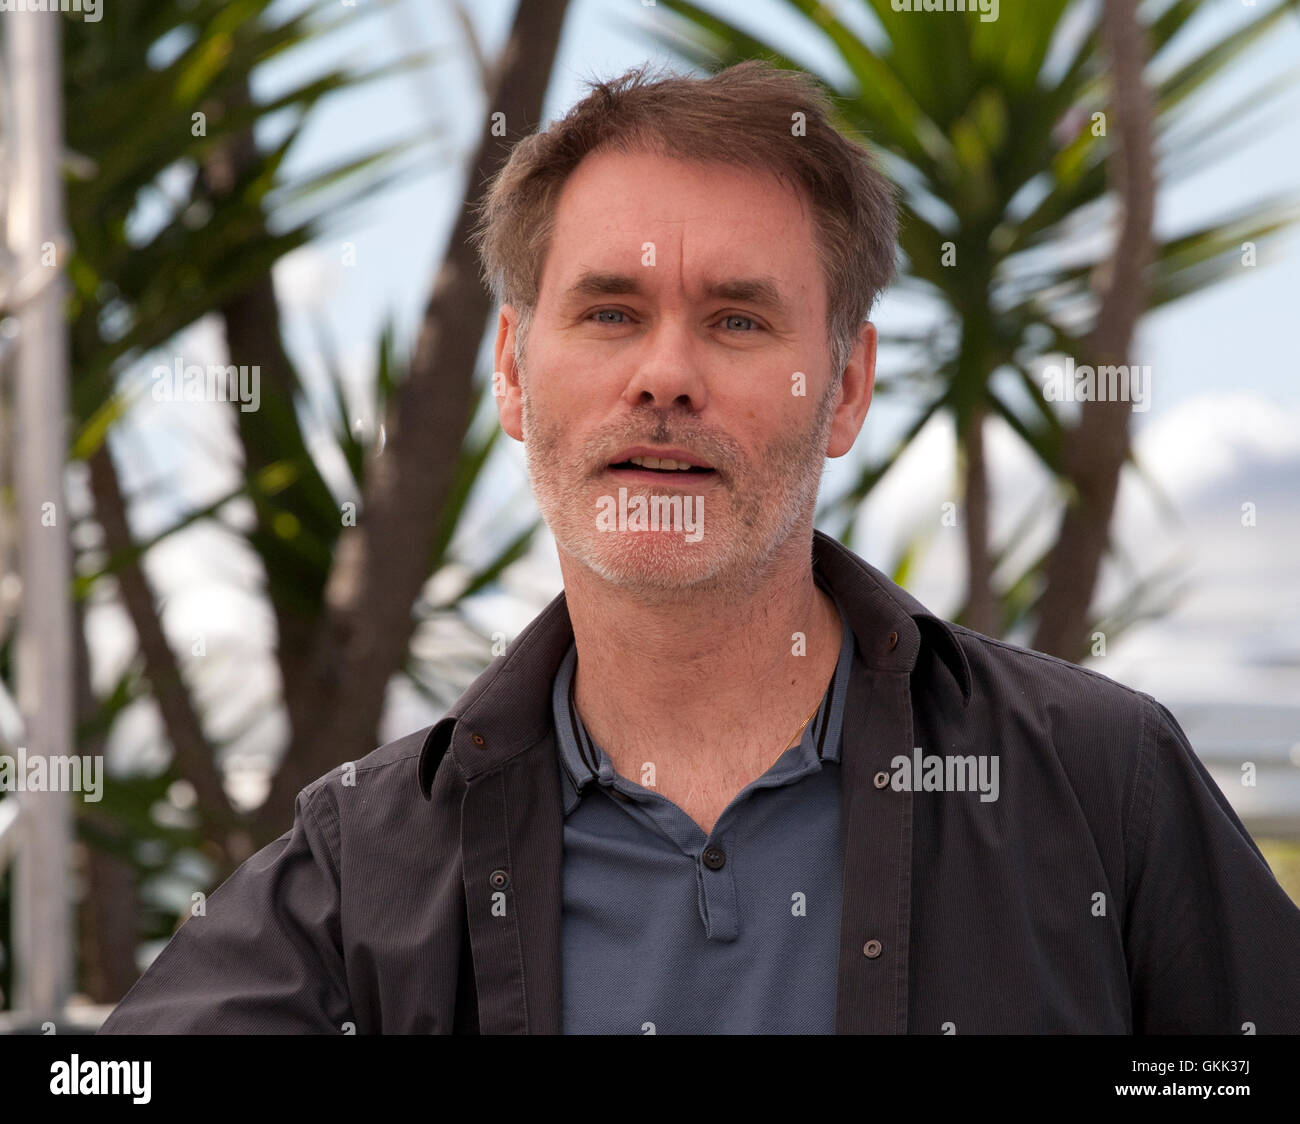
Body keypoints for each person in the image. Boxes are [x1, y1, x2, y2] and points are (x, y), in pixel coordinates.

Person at [99, 60, 1300, 1035]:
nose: (665, 376)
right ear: (515, 371)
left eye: (736, 319)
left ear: (843, 386)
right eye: (610, 311)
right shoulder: (367, 862)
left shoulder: (1102, 783)